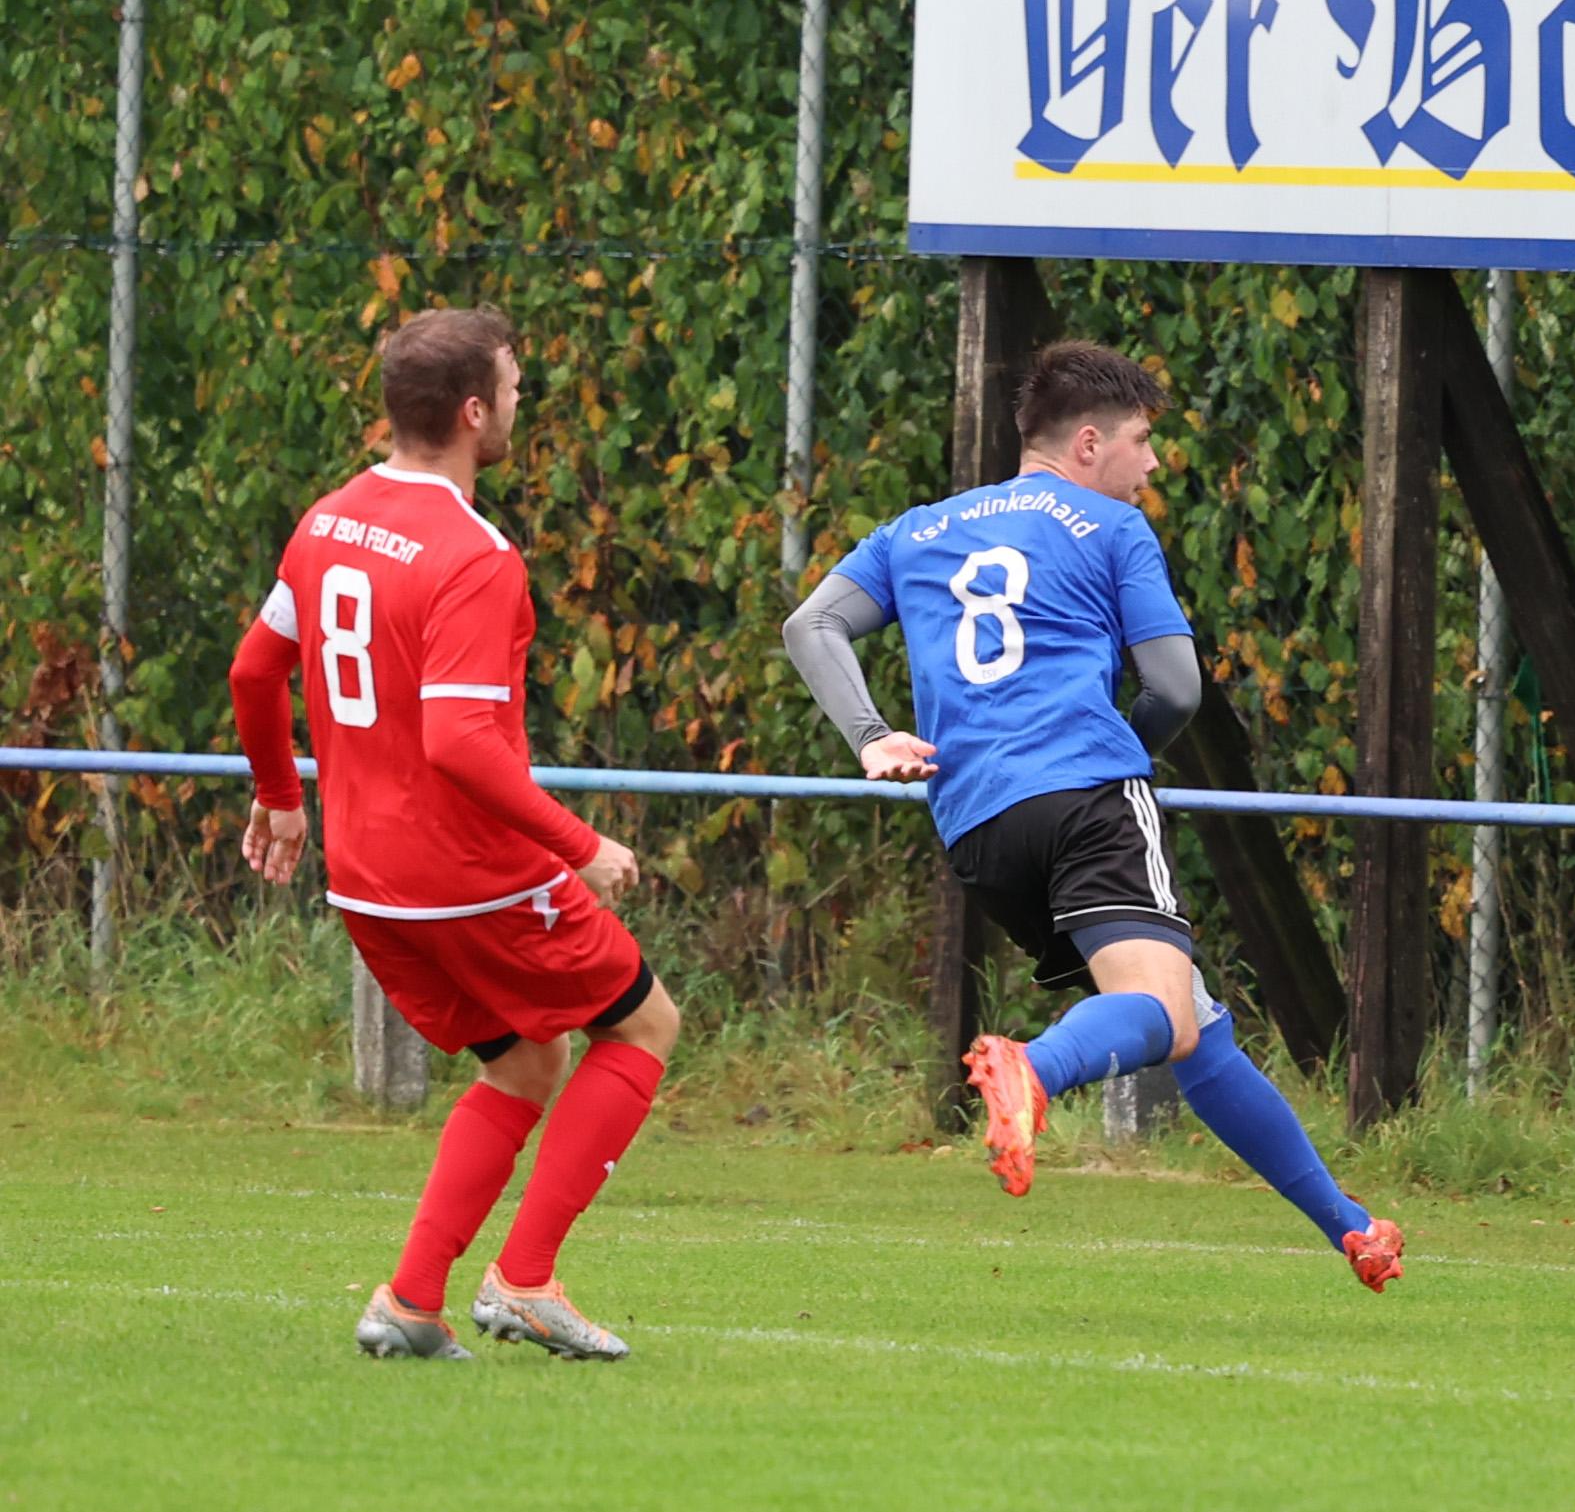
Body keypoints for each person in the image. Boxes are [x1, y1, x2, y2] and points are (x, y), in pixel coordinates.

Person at [784, 341, 1402, 1292]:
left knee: (1188, 1023)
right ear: (1085, 444)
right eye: (1142, 442)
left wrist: (871, 736)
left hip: (980, 830)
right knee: (1159, 1010)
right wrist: (1120, 755)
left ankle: (1350, 1227)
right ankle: (1032, 1073)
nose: (1151, 464)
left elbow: (811, 625)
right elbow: (1175, 687)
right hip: (1087, 801)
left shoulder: (917, 529)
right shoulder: (1111, 528)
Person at [230, 306, 681, 1363]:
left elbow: (256, 671)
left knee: (525, 1064)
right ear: (475, 412)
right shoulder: (475, 554)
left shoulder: (329, 519)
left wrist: (281, 796)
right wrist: (580, 844)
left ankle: (409, 1301)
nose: (521, 404)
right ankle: (524, 1283)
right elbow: (461, 744)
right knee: (644, 1025)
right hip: (473, 874)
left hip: (369, 881)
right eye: (515, 390)